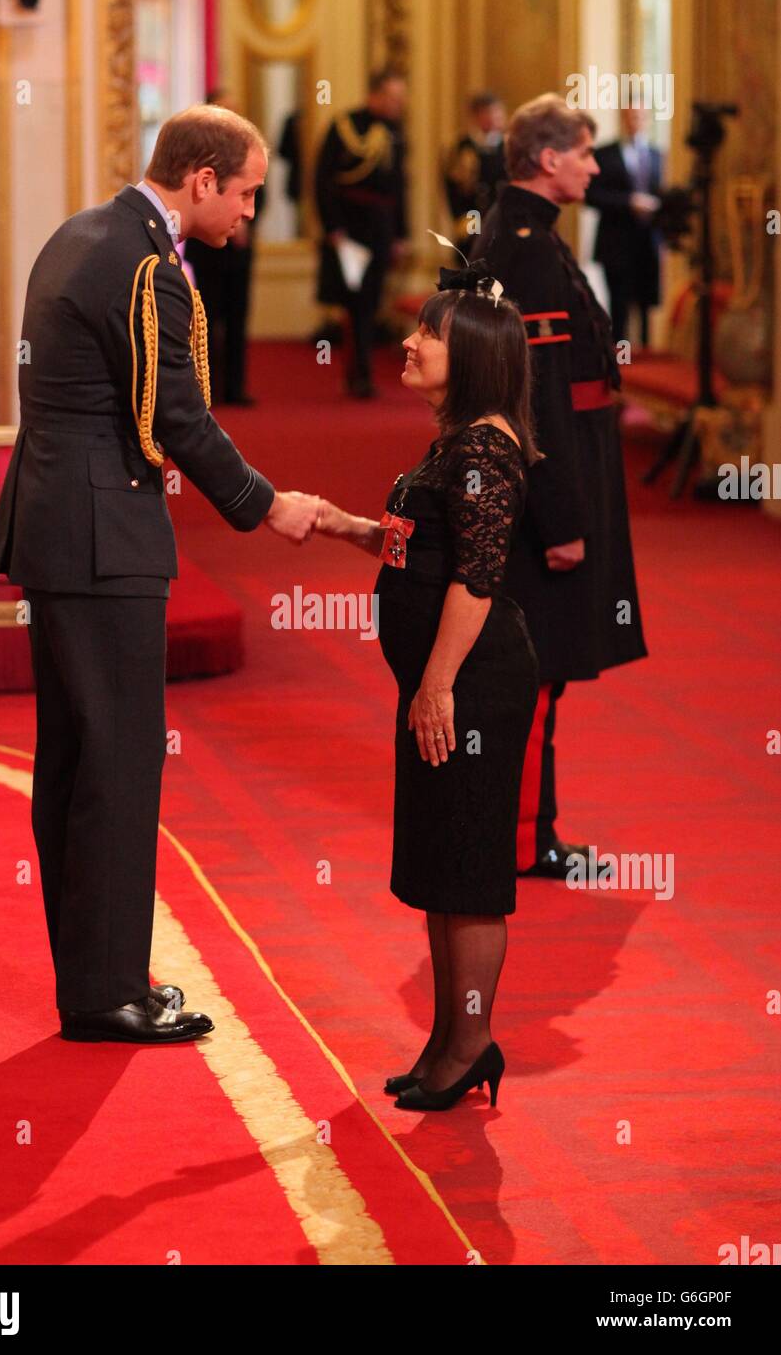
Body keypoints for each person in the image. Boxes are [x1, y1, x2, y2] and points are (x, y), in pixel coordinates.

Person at [0, 104, 321, 1045]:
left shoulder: (84, 232)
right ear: (202, 178)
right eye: (247, 193)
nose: (251, 214)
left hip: (62, 522)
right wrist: (264, 503)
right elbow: (177, 412)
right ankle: (106, 995)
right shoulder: (141, 263)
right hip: (101, 535)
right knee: (120, 764)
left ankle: (95, 978)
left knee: (80, 760)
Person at [314, 256, 542, 1112]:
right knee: (441, 864)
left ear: (473, 353)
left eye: (427, 335)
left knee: (469, 868)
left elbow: (476, 579)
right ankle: (448, 1041)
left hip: (472, 687)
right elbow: (425, 545)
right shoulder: (457, 437)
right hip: (443, 682)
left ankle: (471, 1041)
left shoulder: (484, 445)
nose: (405, 344)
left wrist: (437, 685)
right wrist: (347, 528)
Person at [471, 93, 648, 878]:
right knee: (535, 677)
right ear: (548, 161)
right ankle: (519, 841)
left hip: (556, 475)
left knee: (543, 678)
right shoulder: (529, 250)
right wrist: (562, 519)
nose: (594, 165)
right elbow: (533, 398)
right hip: (547, 488)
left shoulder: (522, 236)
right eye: (583, 152)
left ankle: (532, 832)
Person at [314, 69, 410, 398]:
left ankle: (364, 372)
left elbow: (400, 187)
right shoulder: (344, 127)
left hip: (380, 229)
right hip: (350, 229)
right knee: (354, 305)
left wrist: (401, 234)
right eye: (393, 98)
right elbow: (323, 181)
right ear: (374, 95)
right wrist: (333, 228)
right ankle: (357, 373)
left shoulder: (395, 132)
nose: (399, 104)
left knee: (372, 301)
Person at [182, 89, 264, 404]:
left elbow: (260, 190)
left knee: (238, 317)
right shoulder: (196, 153)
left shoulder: (251, 149)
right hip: (207, 246)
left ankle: (235, 387)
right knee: (208, 318)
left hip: (240, 247)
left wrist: (245, 222)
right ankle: (208, 387)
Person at [585, 106, 663, 346]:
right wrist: (629, 202)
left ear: (647, 119)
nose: (635, 121)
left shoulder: (657, 155)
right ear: (622, 118)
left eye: (640, 116)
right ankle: (620, 358)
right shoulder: (604, 154)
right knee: (618, 305)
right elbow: (591, 195)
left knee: (645, 304)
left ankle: (646, 361)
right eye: (630, 116)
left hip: (647, 242)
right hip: (615, 243)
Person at [443, 91, 508, 243]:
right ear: (477, 116)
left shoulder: (508, 146)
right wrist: (459, 216)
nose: (496, 118)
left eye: (498, 112)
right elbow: (452, 184)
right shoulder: (461, 146)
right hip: (471, 216)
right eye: (490, 113)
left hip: (501, 218)